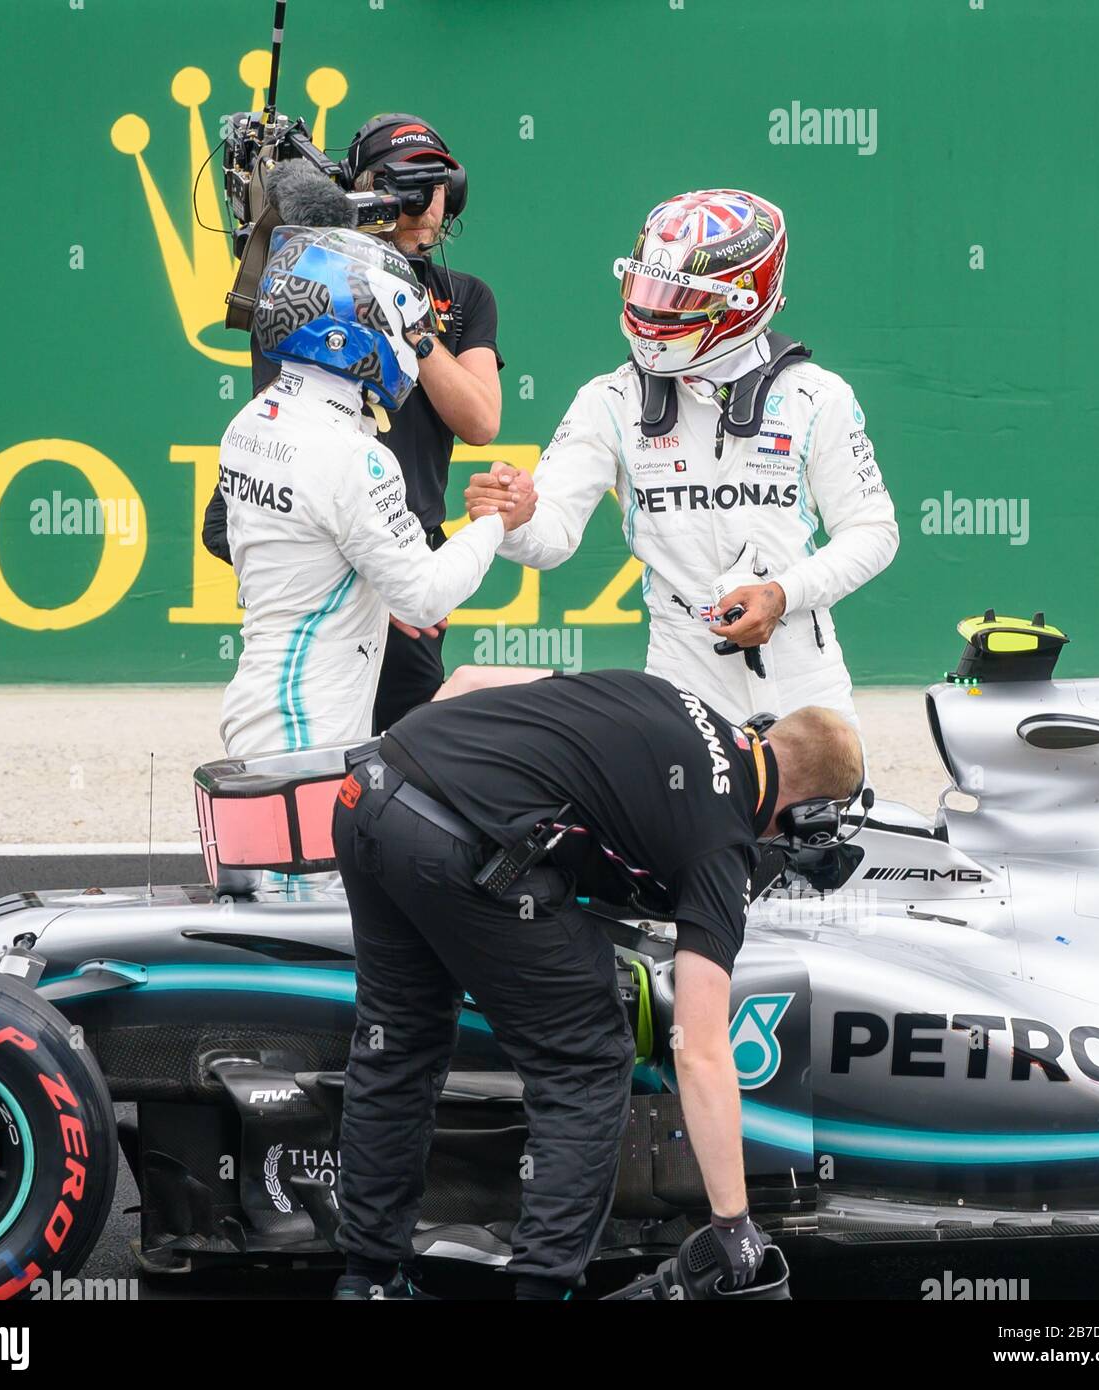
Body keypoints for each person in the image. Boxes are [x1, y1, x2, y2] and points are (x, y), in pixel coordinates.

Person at [328, 670, 864, 1299]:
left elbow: (467, 680)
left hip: (370, 791)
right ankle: (542, 1288)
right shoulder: (720, 845)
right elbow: (701, 1049)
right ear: (807, 815)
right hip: (456, 847)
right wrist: (732, 1219)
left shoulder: (665, 691)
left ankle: (367, 1280)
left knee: (398, 1044)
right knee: (587, 1059)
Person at [464, 188, 898, 728]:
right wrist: (514, 518)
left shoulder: (816, 396)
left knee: (830, 815)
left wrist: (783, 594)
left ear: (746, 297)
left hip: (805, 674)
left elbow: (874, 530)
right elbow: (551, 540)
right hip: (679, 676)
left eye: (680, 296)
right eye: (648, 285)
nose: (656, 309)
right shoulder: (609, 399)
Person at [216, 168, 532, 758]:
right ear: (355, 334)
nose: (414, 348)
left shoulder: (250, 425)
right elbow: (425, 597)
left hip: (252, 712)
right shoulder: (357, 458)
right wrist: (497, 522)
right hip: (314, 734)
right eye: (406, 331)